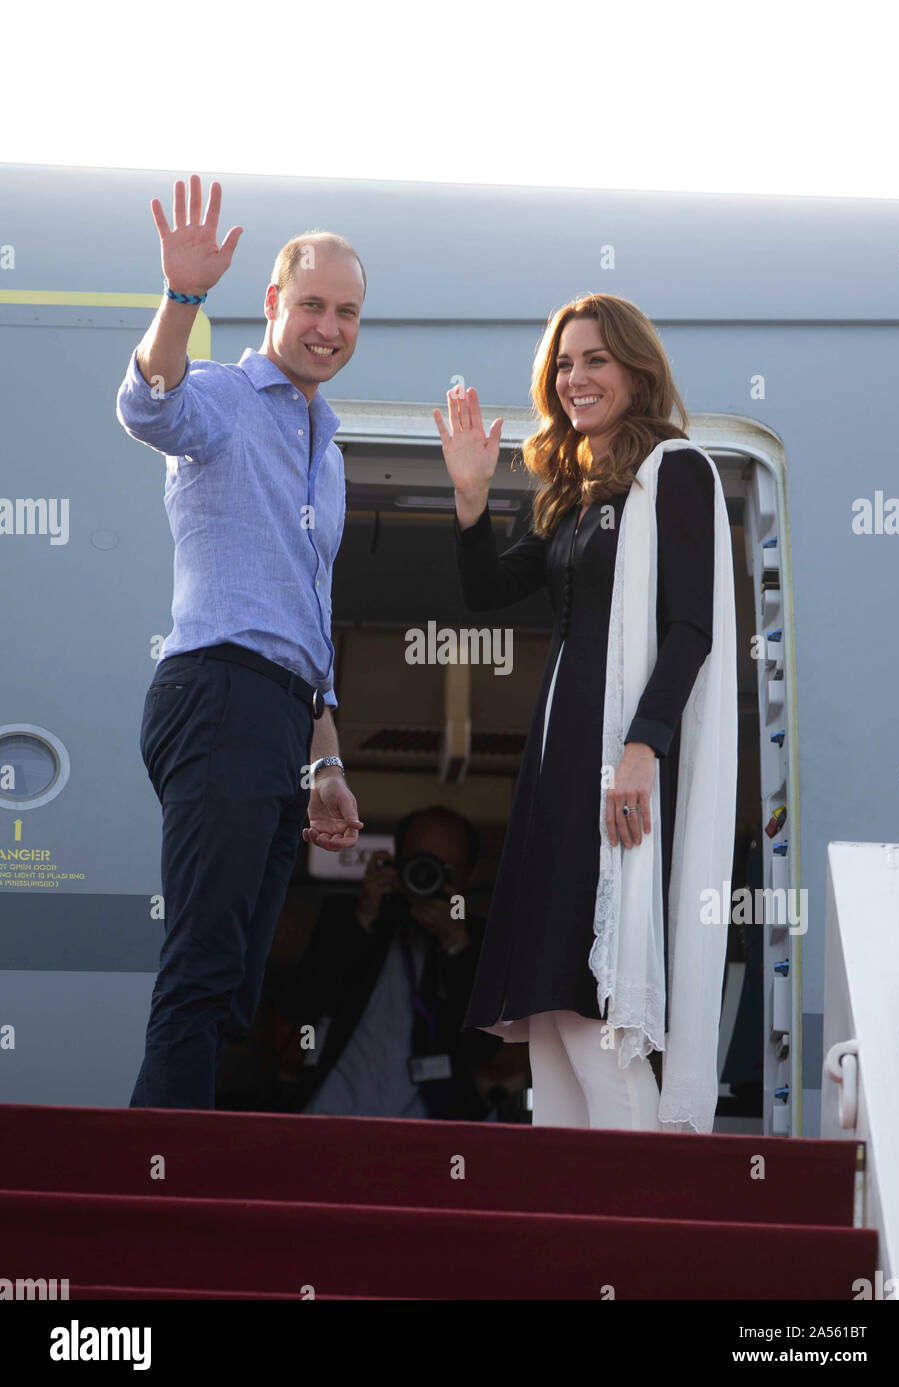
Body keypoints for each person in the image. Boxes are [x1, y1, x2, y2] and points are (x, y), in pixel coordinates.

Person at [434, 293, 737, 1134]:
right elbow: (485, 591)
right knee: (548, 1007)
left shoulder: (675, 470)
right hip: (556, 764)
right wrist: (468, 499)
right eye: (564, 363)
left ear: (636, 371)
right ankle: (577, 1230)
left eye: (594, 359)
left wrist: (642, 749)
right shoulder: (572, 492)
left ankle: (643, 1220)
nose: (575, 378)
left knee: (590, 1005)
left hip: (614, 760)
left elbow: (691, 629)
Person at [116, 175, 363, 1109]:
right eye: (310, 305)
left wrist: (324, 763)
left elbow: (310, 619)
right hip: (216, 694)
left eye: (345, 312)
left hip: (278, 713)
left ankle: (189, 1179)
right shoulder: (221, 394)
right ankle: (153, 1185)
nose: (328, 327)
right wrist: (181, 299)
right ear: (271, 305)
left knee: (237, 986)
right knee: (205, 963)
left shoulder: (326, 449)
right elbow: (149, 406)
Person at [267, 806, 507, 1120]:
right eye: (418, 862)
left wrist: (456, 947)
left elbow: (483, 1048)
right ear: (397, 862)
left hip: (433, 1125)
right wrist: (363, 919)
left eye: (442, 867)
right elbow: (300, 1008)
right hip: (331, 1111)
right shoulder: (350, 917)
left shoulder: (480, 940)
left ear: (469, 876)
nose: (426, 876)